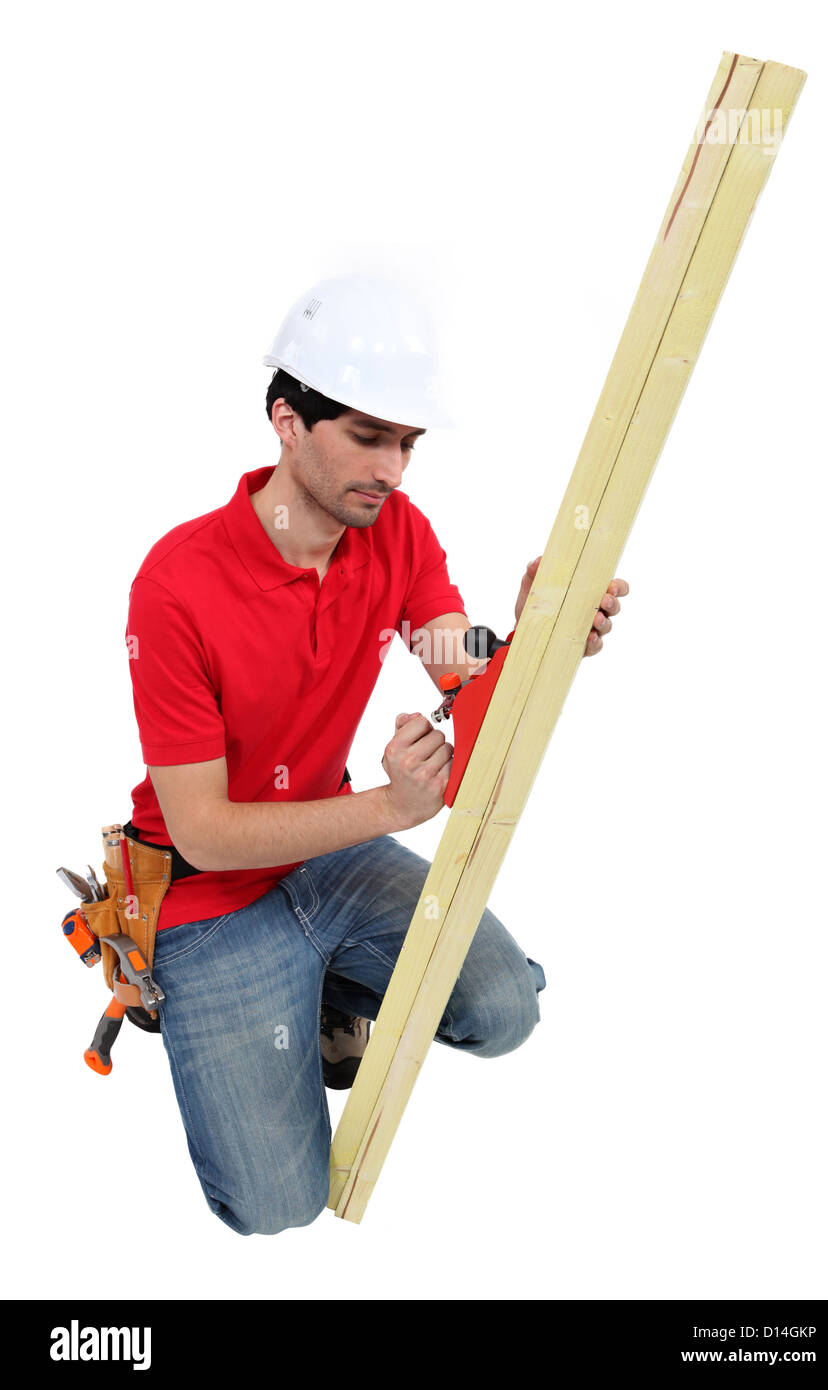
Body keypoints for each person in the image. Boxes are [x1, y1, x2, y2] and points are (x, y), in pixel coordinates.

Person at [123, 274, 629, 1233]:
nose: (393, 469)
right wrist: (389, 811)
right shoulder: (178, 584)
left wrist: (539, 635)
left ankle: (320, 991)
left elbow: (458, 673)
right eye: (367, 436)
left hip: (325, 856)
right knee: (278, 1209)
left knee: (504, 1008)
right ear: (287, 420)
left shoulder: (393, 530)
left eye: (407, 444)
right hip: (205, 892)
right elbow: (205, 830)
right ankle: (182, 995)